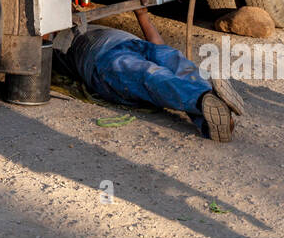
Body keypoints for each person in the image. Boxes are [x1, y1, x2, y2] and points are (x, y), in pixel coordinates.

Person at [57, 8, 245, 141]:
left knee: (176, 60)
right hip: (102, 58)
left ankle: (211, 116)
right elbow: (41, 49)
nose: (73, 9)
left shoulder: (93, 24)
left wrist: (142, 16)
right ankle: (204, 98)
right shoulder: (57, 37)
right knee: (150, 74)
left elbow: (160, 46)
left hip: (138, 45)